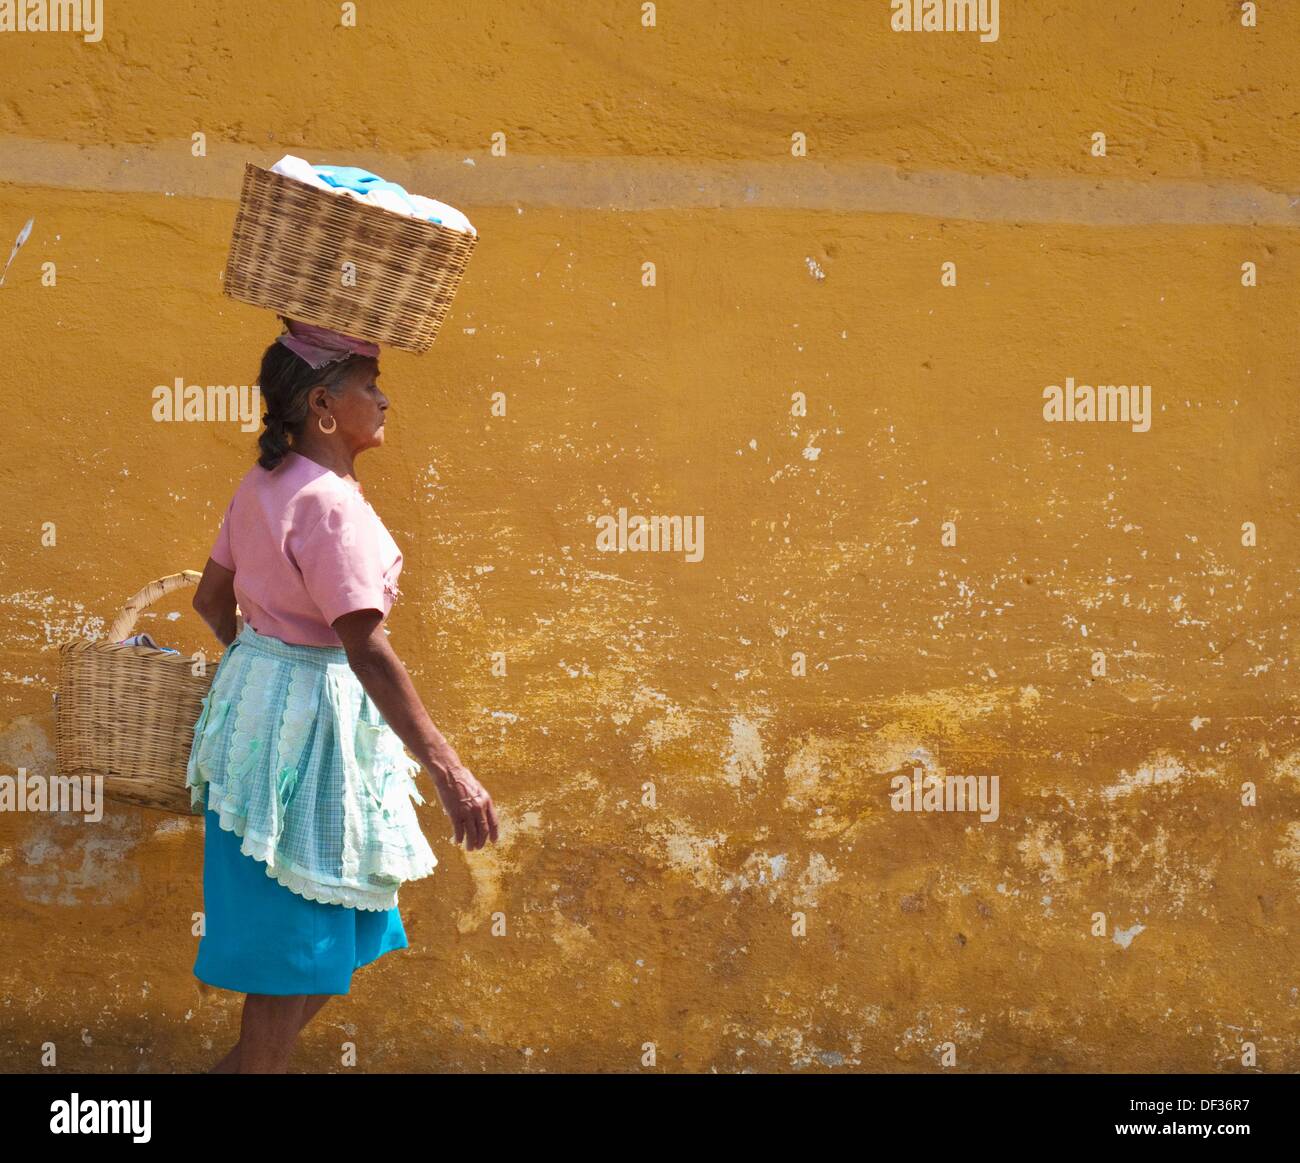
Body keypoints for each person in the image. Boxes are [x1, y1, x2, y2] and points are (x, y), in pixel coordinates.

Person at [187, 317, 498, 1074]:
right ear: (323, 405)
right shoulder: (328, 503)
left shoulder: (263, 483)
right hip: (309, 737)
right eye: (371, 386)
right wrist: (448, 767)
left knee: (311, 938)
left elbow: (210, 599)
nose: (385, 401)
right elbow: (366, 646)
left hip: (258, 725)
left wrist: (256, 667)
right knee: (292, 950)